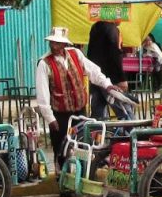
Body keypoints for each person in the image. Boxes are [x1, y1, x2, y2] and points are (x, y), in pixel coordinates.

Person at [33, 26, 120, 173]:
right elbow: (42, 93)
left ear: (65, 44)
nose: (54, 46)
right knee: (61, 147)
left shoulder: (76, 54)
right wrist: (49, 118)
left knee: (83, 143)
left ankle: (83, 174)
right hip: (59, 112)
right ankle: (62, 177)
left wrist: (107, 85)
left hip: (79, 109)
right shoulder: (44, 63)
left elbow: (93, 72)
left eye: (57, 43)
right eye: (52, 42)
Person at [85, 21, 131, 121]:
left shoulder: (95, 27)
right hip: (112, 80)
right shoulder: (113, 30)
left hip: (97, 79)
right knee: (126, 113)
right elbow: (115, 54)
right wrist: (121, 78)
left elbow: (90, 54)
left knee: (98, 116)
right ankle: (134, 135)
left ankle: (97, 135)